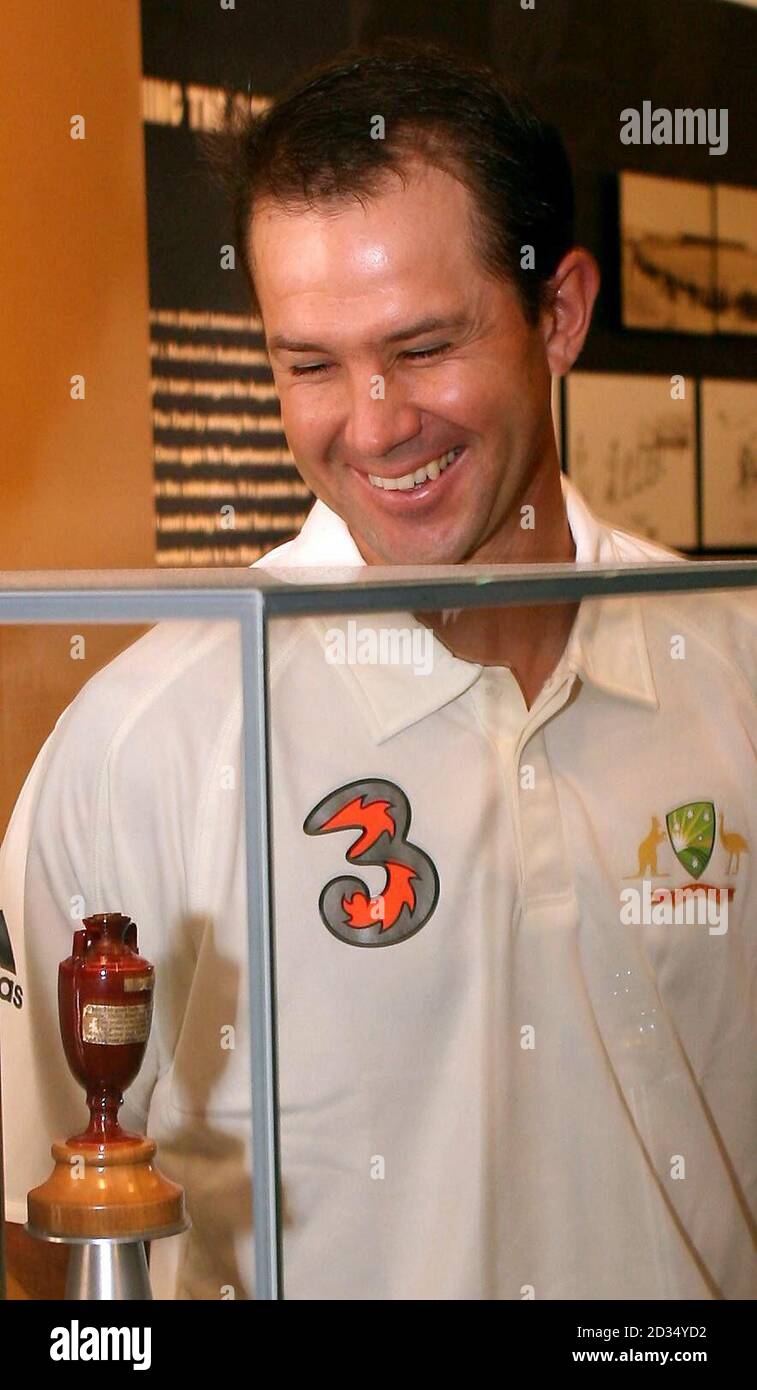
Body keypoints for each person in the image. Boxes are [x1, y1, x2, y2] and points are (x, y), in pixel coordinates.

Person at [1, 39, 754, 1301]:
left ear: (556, 315)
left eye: (422, 345)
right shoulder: (150, 737)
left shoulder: (730, 661)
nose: (375, 420)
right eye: (309, 364)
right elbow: (37, 1228)